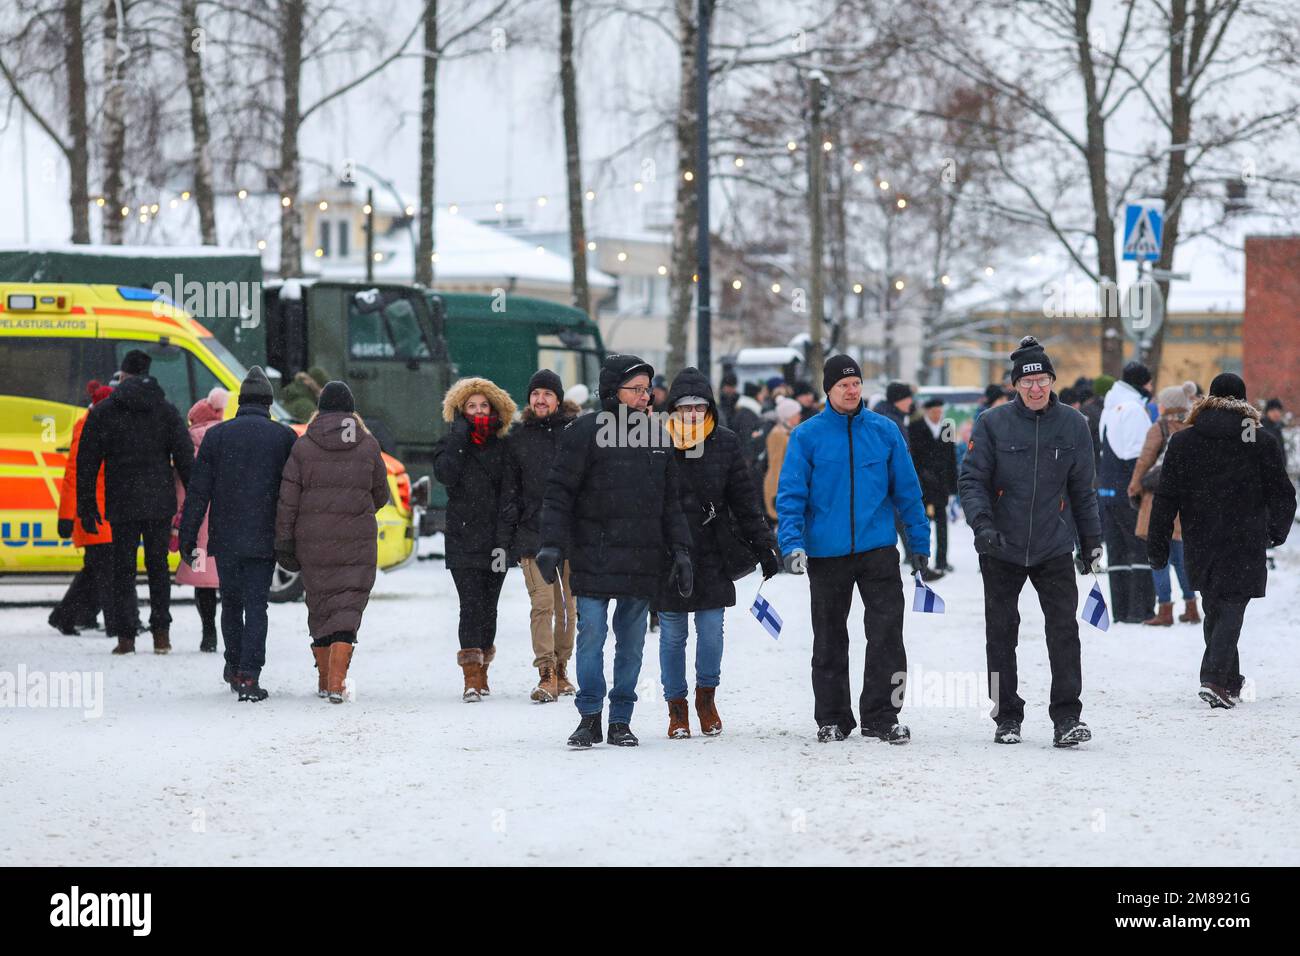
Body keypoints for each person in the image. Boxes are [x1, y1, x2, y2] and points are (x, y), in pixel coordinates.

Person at [535, 353, 693, 748]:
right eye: (635, 389)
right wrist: (551, 542)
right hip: (594, 554)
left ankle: (621, 717)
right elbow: (559, 493)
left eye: (647, 388)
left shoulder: (659, 436)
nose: (645, 396)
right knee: (591, 636)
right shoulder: (584, 432)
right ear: (612, 391)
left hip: (641, 558)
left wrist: (681, 549)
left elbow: (671, 501)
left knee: (632, 642)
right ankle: (589, 715)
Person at [776, 355, 929, 744]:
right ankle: (832, 717)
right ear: (828, 389)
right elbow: (791, 495)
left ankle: (882, 715)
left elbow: (908, 492)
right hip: (827, 553)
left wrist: (919, 543)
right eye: (843, 384)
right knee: (828, 637)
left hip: (877, 548)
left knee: (887, 634)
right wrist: (791, 542)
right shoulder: (807, 436)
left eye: (856, 382)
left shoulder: (885, 431)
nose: (851, 389)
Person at [959, 336, 1100, 748]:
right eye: (1027, 382)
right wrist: (982, 524)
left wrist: (1091, 540)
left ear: (1053, 381)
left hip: (1052, 545)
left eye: (1042, 381)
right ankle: (1006, 715)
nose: (1035, 389)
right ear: (1015, 386)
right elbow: (972, 480)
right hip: (1000, 545)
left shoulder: (1074, 425)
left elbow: (1083, 490)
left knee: (1063, 631)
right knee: (1001, 632)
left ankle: (1067, 716)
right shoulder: (992, 423)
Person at [1148, 373, 1296, 709]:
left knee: (1216, 605)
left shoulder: (1184, 441)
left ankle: (1229, 680)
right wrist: (1274, 531)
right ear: (1244, 402)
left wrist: (1157, 545)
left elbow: (1165, 497)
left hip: (1199, 537)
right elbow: (1284, 496)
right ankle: (1214, 678)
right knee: (1230, 605)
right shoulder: (1259, 440)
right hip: (1244, 538)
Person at [653, 367, 780, 739]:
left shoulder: (724, 441)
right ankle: (676, 707)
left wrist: (764, 545)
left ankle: (706, 698)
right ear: (673, 408)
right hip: (668, 551)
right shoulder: (656, 439)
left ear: (708, 408)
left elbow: (744, 498)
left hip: (712, 549)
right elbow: (643, 499)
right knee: (673, 633)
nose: (691, 413)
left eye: (698, 406)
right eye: (684, 407)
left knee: (711, 630)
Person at [179, 369, 297, 700]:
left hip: (226, 536)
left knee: (230, 603)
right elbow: (294, 493)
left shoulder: (218, 437)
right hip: (264, 536)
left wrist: (189, 538)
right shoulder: (284, 437)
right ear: (269, 403)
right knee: (257, 605)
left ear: (240, 402)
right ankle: (249, 675)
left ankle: (233, 667)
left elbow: (198, 492)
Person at [274, 382, 390, 704]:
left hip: (313, 542)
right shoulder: (367, 445)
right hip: (357, 543)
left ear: (320, 410)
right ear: (352, 412)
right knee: (347, 608)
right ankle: (337, 682)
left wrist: (284, 541)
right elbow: (382, 494)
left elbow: (288, 501)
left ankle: (325, 679)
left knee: (321, 604)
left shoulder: (303, 447)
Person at [77, 349, 194, 655]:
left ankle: (126, 636)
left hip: (122, 501)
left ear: (123, 375)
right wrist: (195, 502)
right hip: (159, 501)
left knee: (123, 570)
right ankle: (161, 635)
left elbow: (87, 462)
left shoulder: (104, 412)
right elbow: (185, 459)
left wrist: (86, 505)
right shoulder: (166, 410)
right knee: (158, 568)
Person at [432, 376, 516, 702]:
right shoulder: (451, 441)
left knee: (489, 609)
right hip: (462, 537)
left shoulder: (505, 447)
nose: (478, 411)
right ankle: (470, 678)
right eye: (471, 406)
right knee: (470, 605)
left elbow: (510, 495)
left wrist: (504, 540)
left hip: (496, 539)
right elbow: (446, 474)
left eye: (483, 405)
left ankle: (483, 671)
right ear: (460, 410)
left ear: (495, 409)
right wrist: (459, 438)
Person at [498, 370, 579, 703]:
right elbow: (510, 492)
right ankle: (545, 672)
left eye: (547, 394)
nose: (541, 399)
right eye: (536, 394)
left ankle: (562, 668)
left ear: (558, 400)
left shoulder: (575, 434)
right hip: (532, 533)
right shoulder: (518, 438)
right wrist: (507, 538)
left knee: (568, 608)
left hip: (572, 534)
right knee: (542, 605)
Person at [52, 381, 117, 637]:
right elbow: (74, 475)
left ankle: (65, 616)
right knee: (105, 571)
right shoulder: (88, 427)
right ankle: (116, 625)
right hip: (94, 513)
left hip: (101, 512)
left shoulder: (99, 424)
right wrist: (66, 516)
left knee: (94, 570)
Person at [1128, 384, 1196, 626]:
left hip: (1158, 500)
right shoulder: (1193, 426)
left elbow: (1146, 459)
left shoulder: (1160, 427)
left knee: (1159, 557)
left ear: (1166, 404)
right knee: (1180, 557)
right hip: (1186, 500)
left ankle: (1165, 609)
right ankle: (1192, 606)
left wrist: (1134, 485)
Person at [1098, 362, 1157, 623]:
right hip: (1128, 489)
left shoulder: (1110, 408)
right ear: (1141, 383)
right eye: (1149, 383)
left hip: (1107, 488)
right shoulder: (1133, 409)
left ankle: (1121, 609)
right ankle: (1140, 609)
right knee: (1140, 548)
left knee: (1118, 552)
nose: (1152, 388)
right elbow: (1137, 453)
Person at [173, 386, 230, 652]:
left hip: (196, 518)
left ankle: (208, 631)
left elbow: (181, 486)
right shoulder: (227, 438)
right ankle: (230, 629)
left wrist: (178, 521)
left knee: (203, 580)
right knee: (225, 577)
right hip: (223, 517)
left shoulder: (187, 441)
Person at [909, 397, 958, 577]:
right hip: (923, 485)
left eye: (940, 411)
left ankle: (942, 560)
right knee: (923, 524)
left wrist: (953, 486)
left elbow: (951, 457)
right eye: (934, 411)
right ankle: (922, 560)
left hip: (942, 485)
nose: (938, 415)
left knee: (942, 524)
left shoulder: (947, 427)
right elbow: (913, 458)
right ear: (927, 412)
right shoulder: (915, 428)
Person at [763, 397, 803, 523]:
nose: (800, 416)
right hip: (780, 490)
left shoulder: (788, 432)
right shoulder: (778, 434)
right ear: (788, 416)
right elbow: (775, 467)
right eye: (797, 413)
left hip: (789, 487)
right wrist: (776, 495)